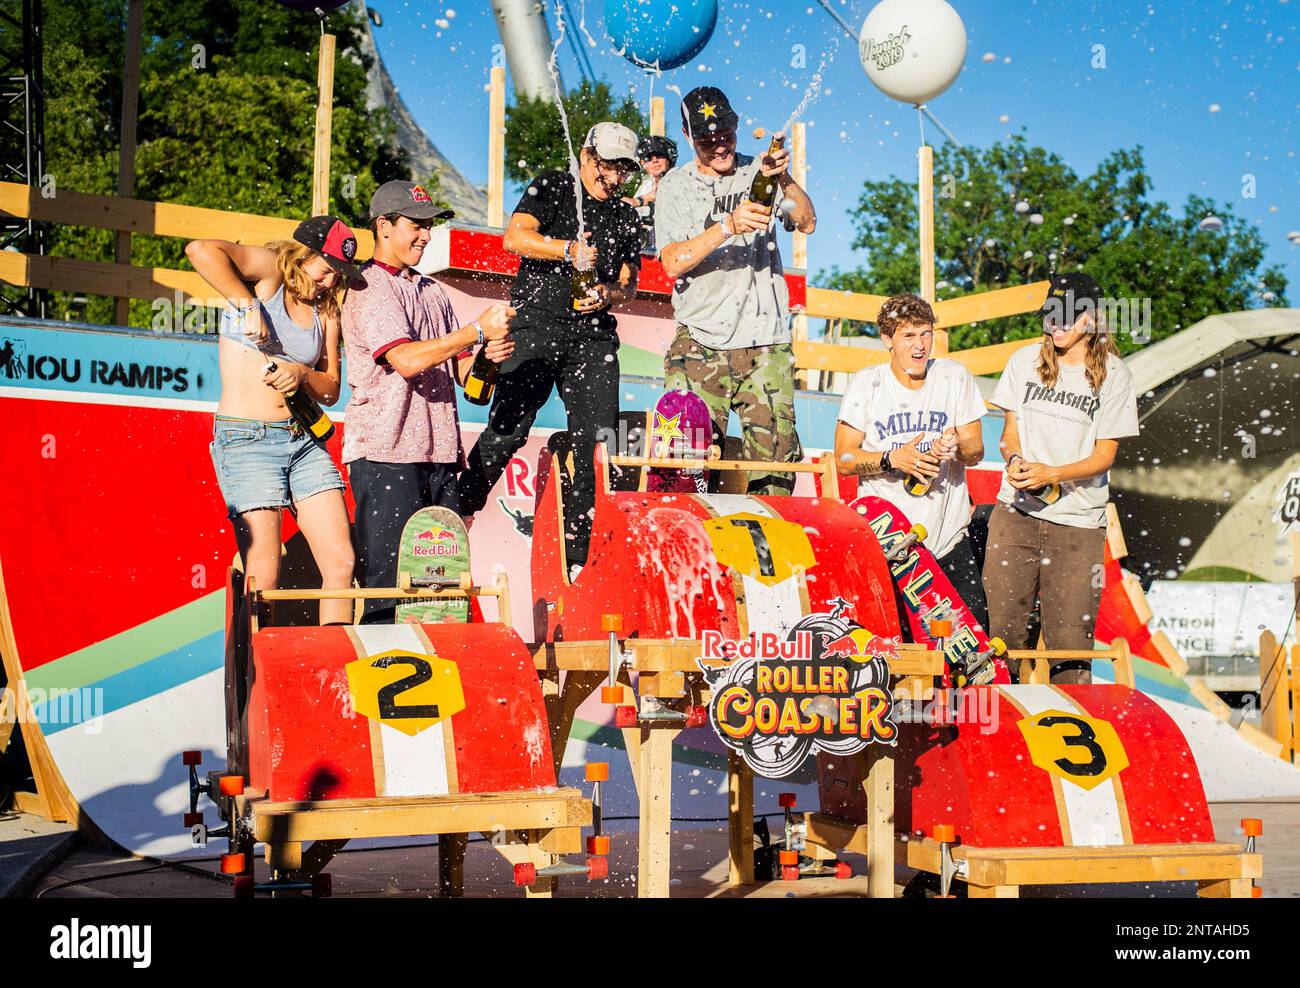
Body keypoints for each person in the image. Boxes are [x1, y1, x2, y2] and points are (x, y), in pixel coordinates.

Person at [456, 123, 642, 575]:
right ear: (585, 154)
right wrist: (567, 250)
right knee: (507, 430)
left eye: (623, 170)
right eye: (607, 165)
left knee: (598, 445)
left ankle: (580, 556)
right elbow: (514, 237)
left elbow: (629, 284)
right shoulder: (554, 184)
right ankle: (455, 514)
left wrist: (607, 296)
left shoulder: (627, 215)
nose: (613, 177)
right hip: (536, 324)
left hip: (593, 337)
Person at [342, 180, 514, 622]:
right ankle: (381, 681)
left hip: (439, 457)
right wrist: (476, 331)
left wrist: (489, 359)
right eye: (416, 225)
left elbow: (468, 382)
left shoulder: (432, 291)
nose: (426, 234)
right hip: (386, 457)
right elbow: (405, 360)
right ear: (383, 225)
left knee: (442, 594)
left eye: (429, 225)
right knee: (386, 590)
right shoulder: (369, 286)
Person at [187, 216, 361, 625]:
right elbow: (199, 249)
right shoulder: (269, 273)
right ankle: (253, 678)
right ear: (303, 254)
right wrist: (248, 306)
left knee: (341, 561)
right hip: (247, 440)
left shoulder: (327, 310)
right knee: (263, 573)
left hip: (303, 443)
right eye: (327, 268)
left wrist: (302, 374)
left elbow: (332, 387)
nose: (331, 281)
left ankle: (329, 671)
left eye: (339, 274)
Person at [655, 86, 817, 496]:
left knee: (776, 468)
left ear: (737, 125)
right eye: (708, 140)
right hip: (699, 343)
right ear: (689, 137)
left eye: (725, 134)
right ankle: (685, 546)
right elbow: (672, 262)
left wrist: (783, 177)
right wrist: (727, 225)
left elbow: (808, 221)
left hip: (766, 342)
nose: (720, 146)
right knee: (683, 464)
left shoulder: (758, 172)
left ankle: (769, 549)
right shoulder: (675, 185)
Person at [982, 273, 1140, 682]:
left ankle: (1069, 727)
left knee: (1070, 646)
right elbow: (1008, 433)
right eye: (1051, 315)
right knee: (999, 638)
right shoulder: (1023, 361)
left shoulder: (1115, 375)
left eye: (1068, 316)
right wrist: (1015, 459)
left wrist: (1053, 473)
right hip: (1014, 515)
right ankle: (999, 733)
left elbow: (1105, 456)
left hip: (1077, 525)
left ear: (1093, 317)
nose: (1057, 325)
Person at [834, 293, 990, 630]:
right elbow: (844, 459)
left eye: (925, 333)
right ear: (887, 340)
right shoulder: (868, 383)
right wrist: (893, 459)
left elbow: (977, 450)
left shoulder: (953, 377)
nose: (919, 345)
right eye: (908, 335)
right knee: (891, 653)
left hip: (949, 541)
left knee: (974, 652)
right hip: (889, 546)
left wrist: (956, 446)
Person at [623, 135, 677, 253]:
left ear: (669, 157)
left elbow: (663, 193)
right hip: (649, 253)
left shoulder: (677, 175)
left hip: (675, 250)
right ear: (642, 163)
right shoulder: (646, 185)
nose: (654, 160)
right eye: (648, 157)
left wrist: (638, 201)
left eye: (659, 155)